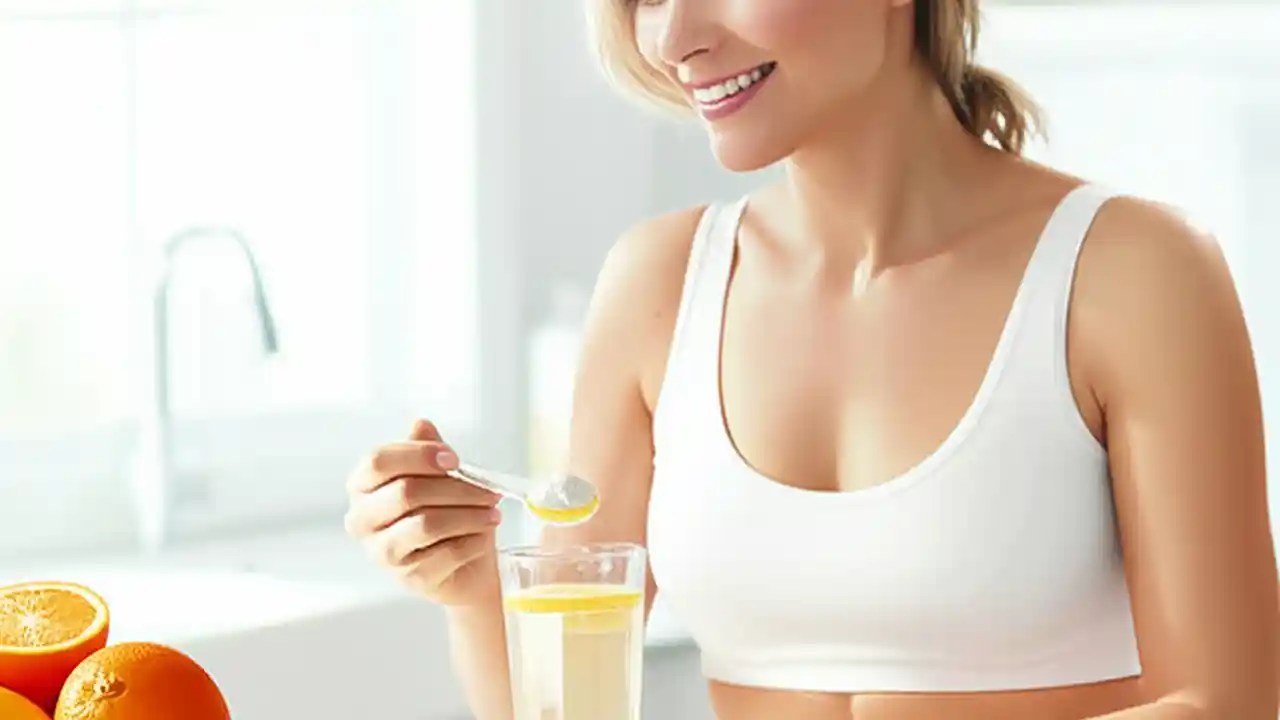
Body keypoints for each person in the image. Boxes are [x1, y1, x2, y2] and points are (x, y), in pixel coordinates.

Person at [343, 1, 1279, 718]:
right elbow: (562, 706)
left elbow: (1230, 705)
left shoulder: (1132, 272)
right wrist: (469, 587)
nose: (674, 37)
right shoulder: (657, 283)